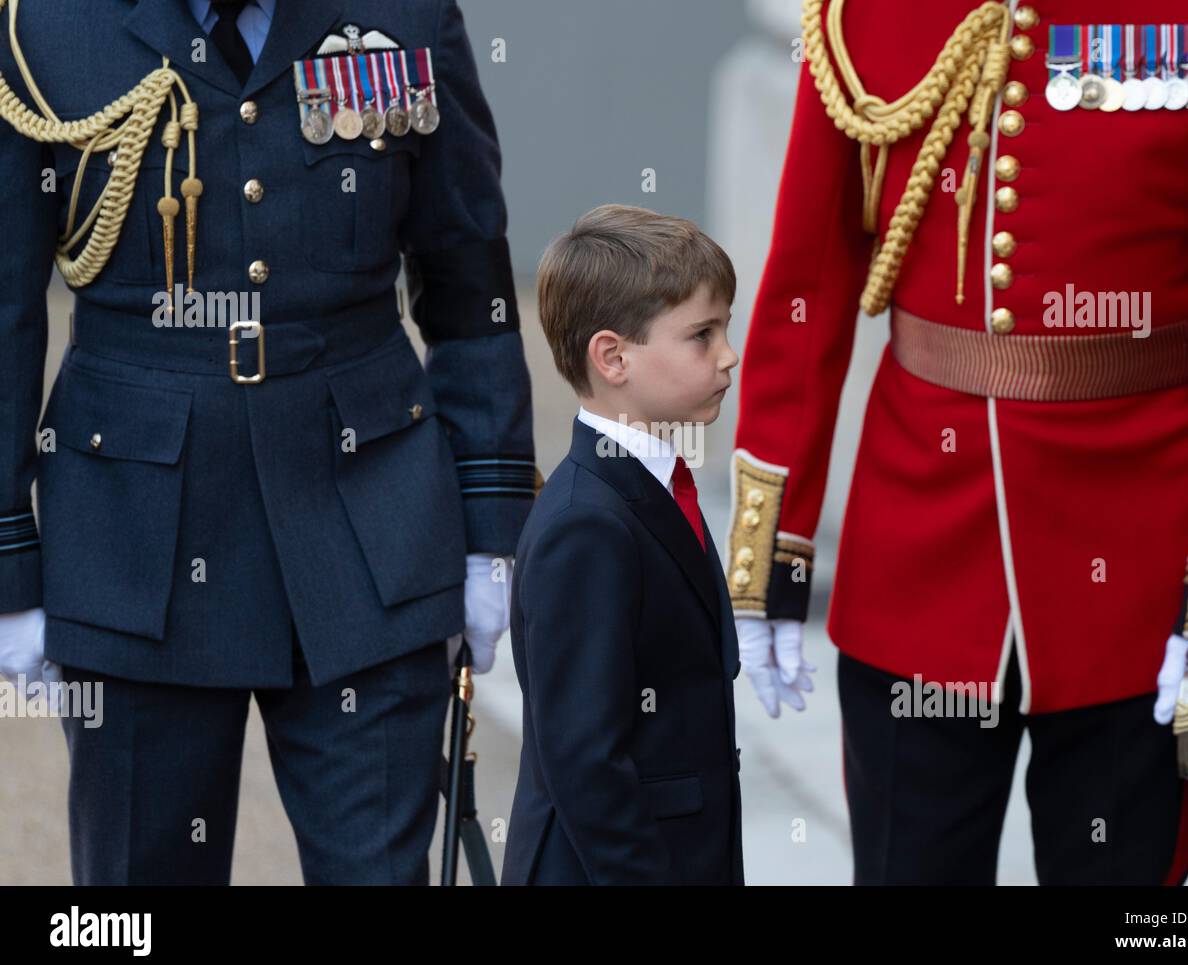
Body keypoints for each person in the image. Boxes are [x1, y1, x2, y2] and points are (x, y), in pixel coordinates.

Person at [726, 0, 1188, 883]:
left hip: (1137, 576)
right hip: (914, 561)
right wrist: (771, 550)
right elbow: (809, 280)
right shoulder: (864, 17)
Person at [0, 0, 535, 883]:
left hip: (371, 525)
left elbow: (468, 266)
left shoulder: (405, 11)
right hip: (137, 540)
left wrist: (490, 523)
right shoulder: (46, 25)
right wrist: (11, 564)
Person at [501, 205, 744, 885]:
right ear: (612, 357)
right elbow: (586, 759)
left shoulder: (650, 486)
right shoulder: (588, 525)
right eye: (702, 334)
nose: (729, 355)